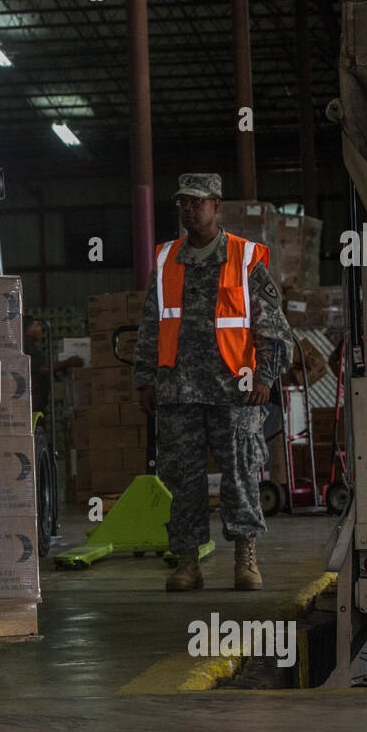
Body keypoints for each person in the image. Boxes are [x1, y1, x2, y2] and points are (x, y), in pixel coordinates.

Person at [133, 173, 294, 591]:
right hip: (178, 390)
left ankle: (245, 558)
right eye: (182, 202)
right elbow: (151, 323)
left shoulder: (243, 257)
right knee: (183, 480)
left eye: (197, 202)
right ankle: (188, 562)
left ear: (216, 205)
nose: (188, 209)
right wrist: (144, 378)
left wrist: (265, 376)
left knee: (240, 475)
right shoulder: (168, 259)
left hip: (235, 391)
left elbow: (272, 325)